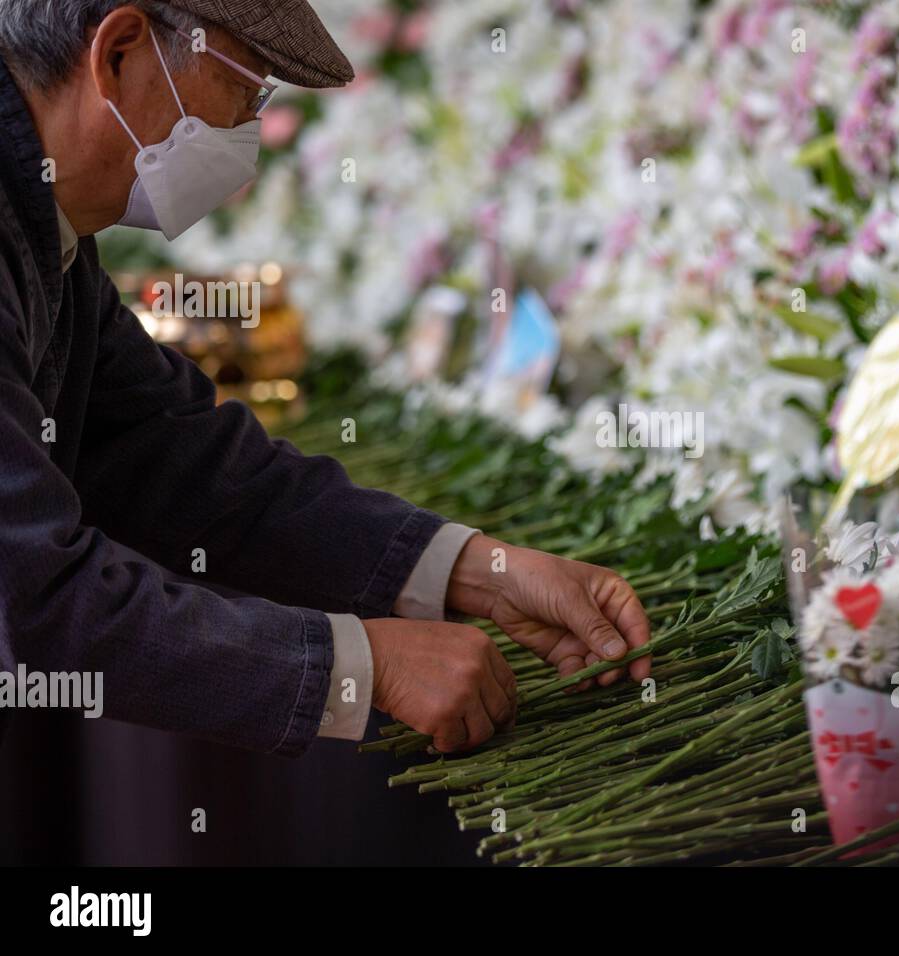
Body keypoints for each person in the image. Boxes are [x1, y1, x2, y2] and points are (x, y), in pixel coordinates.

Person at [0, 0, 651, 758]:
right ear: (119, 52)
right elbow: (32, 602)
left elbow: (175, 456)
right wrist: (355, 665)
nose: (248, 128)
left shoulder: (47, 219)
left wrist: (482, 570)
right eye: (246, 90)